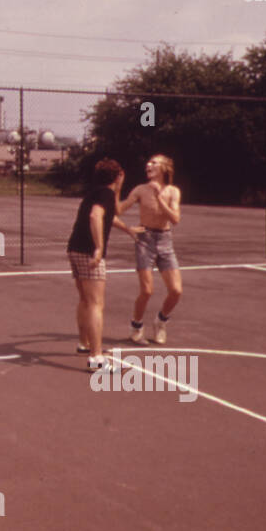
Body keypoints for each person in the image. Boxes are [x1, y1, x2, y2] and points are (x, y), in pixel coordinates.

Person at [66, 158, 138, 372]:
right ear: (117, 176)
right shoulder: (105, 194)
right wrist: (98, 248)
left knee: (86, 300)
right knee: (96, 303)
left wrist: (128, 230)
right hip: (88, 251)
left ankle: (84, 343)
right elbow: (96, 216)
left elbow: (111, 216)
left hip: (74, 248)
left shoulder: (98, 192)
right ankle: (96, 357)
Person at [117, 154, 182, 345]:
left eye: (154, 162)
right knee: (146, 291)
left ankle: (160, 322)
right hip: (145, 239)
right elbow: (119, 210)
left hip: (165, 240)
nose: (148, 164)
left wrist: (158, 197)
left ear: (164, 168)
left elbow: (175, 219)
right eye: (148, 162)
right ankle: (136, 327)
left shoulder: (173, 191)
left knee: (176, 290)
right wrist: (117, 189)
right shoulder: (140, 189)